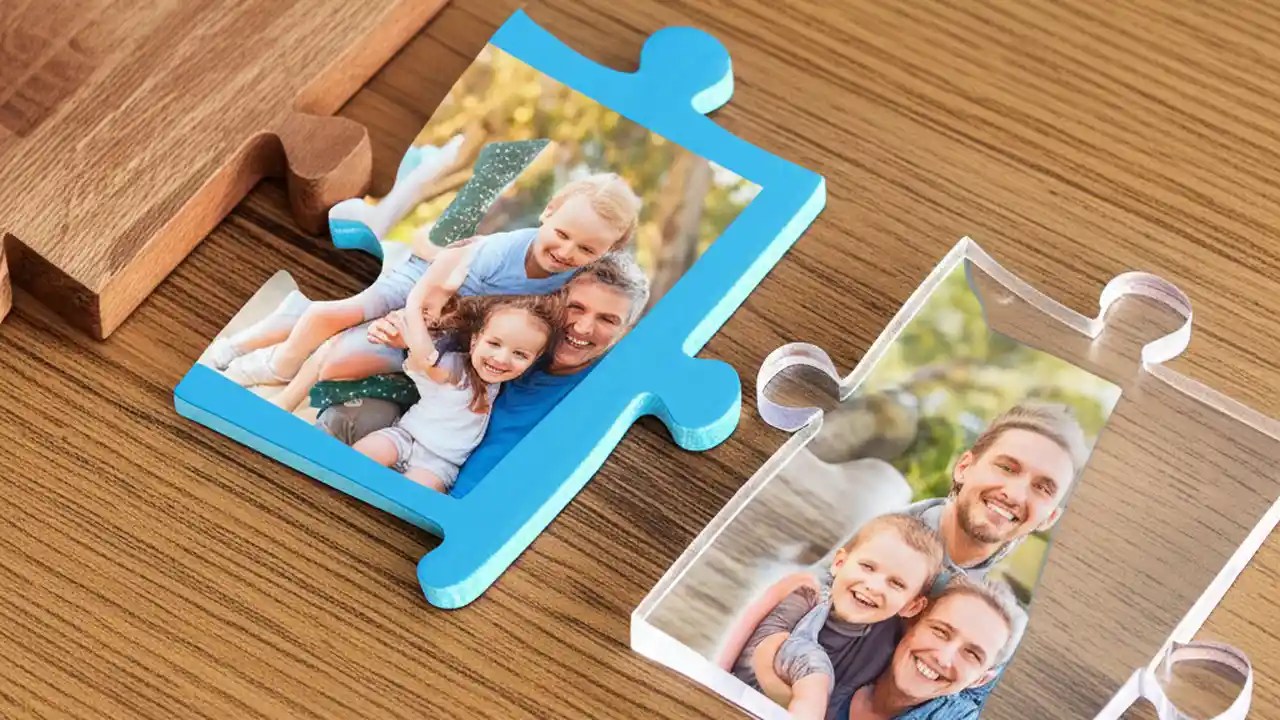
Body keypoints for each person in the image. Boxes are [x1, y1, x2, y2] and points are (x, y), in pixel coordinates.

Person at [213, 173, 642, 388]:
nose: (567, 252)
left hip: (455, 322)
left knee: (347, 334)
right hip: (421, 290)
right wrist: (418, 331)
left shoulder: (573, 283)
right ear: (548, 212)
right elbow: (431, 291)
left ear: (608, 250)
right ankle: (270, 363)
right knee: (338, 312)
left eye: (586, 249)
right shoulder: (502, 250)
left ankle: (249, 347)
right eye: (562, 235)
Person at [316, 250, 651, 497]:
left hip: (447, 491)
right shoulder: (512, 329)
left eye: (608, 320)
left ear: (628, 330)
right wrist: (408, 326)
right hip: (407, 433)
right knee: (354, 421)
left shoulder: (596, 397)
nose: (582, 326)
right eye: (576, 307)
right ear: (555, 299)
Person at [732, 514, 945, 720]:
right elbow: (763, 652)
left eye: (896, 583)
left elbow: (837, 703)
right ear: (839, 563)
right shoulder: (808, 595)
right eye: (867, 567)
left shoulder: (881, 645)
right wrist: (807, 691)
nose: (873, 586)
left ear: (911, 606)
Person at [352, 294, 561, 493]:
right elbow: (428, 362)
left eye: (520, 354)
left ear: (534, 359)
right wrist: (413, 325)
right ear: (474, 341)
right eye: (494, 344)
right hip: (406, 437)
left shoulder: (502, 385)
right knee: (369, 451)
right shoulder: (456, 366)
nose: (502, 358)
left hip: (440, 464)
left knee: (415, 491)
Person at [903, 402, 1089, 591]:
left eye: (1042, 488)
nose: (1014, 495)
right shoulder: (876, 529)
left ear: (1049, 519)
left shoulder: (1001, 610)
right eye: (1006, 468)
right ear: (963, 467)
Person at [844, 576, 1027, 720]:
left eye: (971, 654)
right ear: (914, 621)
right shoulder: (838, 650)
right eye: (940, 631)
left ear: (980, 680)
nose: (943, 658)